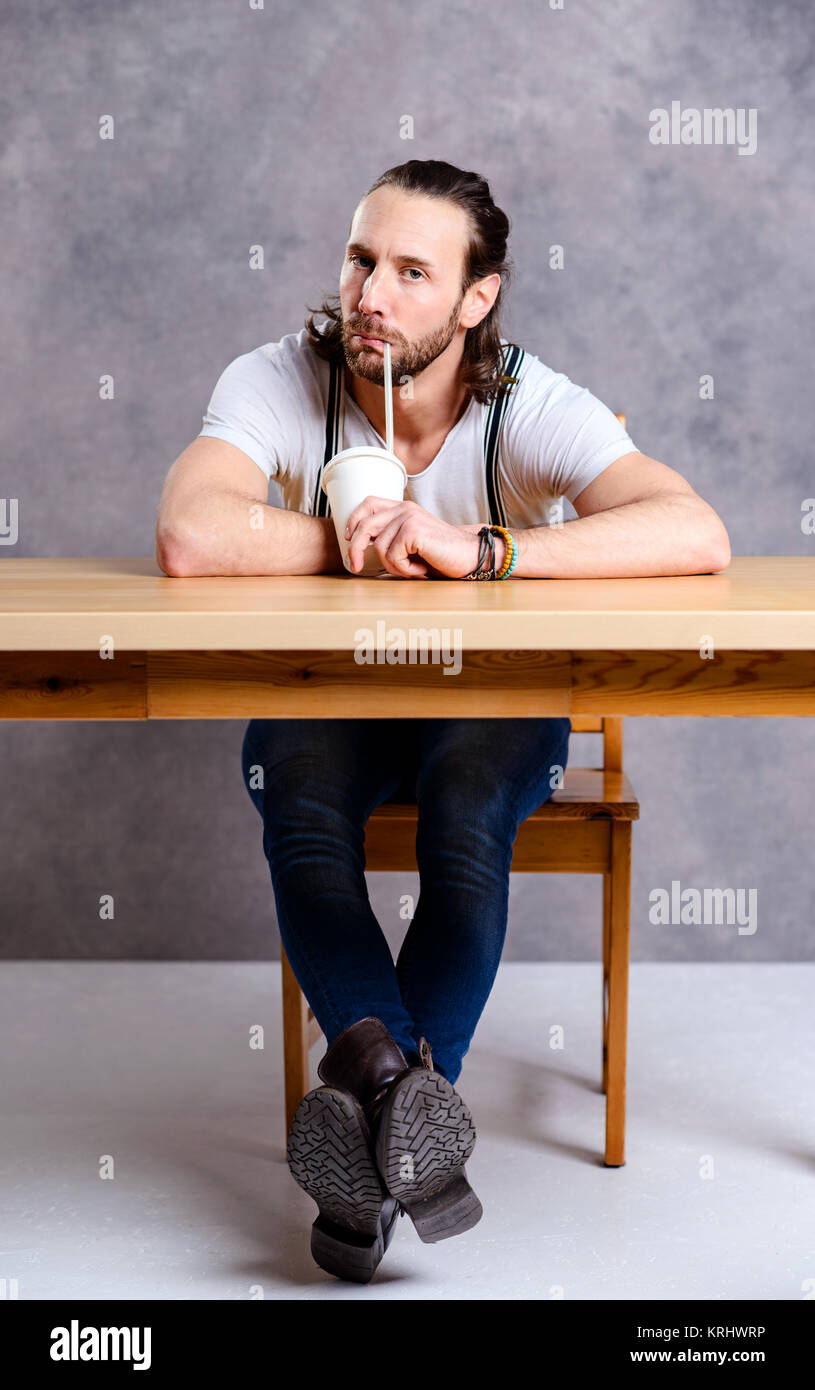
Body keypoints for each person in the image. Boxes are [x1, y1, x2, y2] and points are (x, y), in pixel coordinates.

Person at [156, 159, 730, 1285]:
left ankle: (363, 1131)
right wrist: (359, 534)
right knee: (297, 797)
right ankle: (396, 1106)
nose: (371, 291)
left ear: (475, 299)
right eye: (362, 258)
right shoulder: (287, 378)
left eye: (412, 271)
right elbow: (189, 530)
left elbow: (691, 527)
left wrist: (485, 552)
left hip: (492, 702)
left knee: (466, 817)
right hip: (341, 696)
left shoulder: (521, 397)